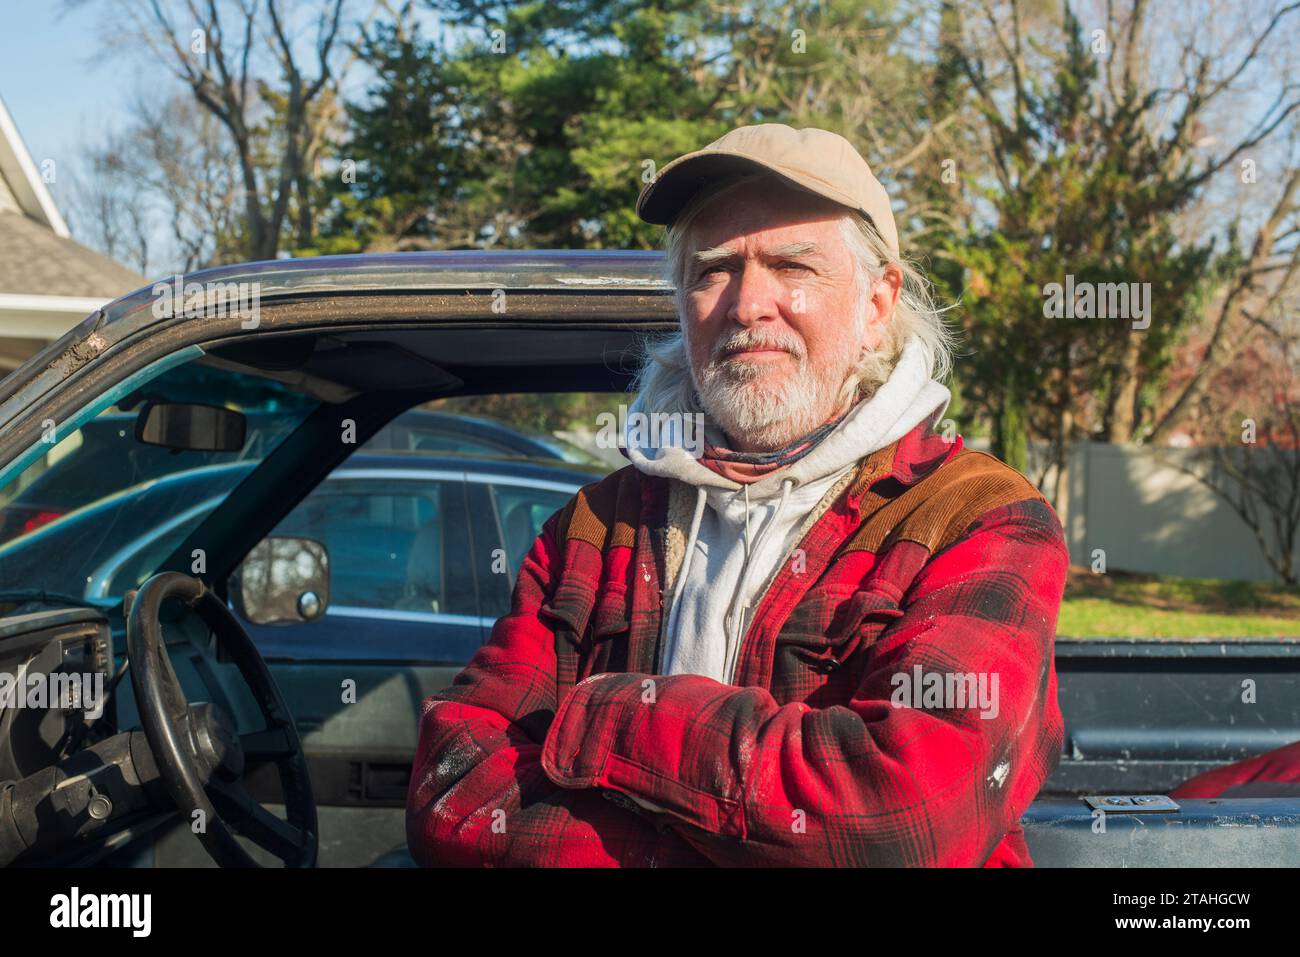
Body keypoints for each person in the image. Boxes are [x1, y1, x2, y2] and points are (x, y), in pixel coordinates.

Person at [407, 124, 1069, 866]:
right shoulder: (593, 527)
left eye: (793, 265)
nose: (748, 303)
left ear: (877, 305)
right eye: (714, 269)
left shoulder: (978, 518)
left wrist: (607, 715)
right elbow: (453, 790)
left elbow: (901, 816)